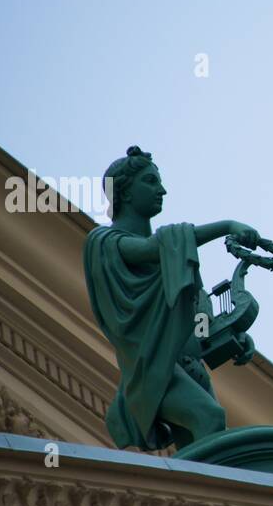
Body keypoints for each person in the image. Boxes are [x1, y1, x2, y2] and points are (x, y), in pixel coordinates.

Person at [83, 145, 259, 450]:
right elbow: (151, 249)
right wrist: (227, 226)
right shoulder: (105, 243)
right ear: (124, 193)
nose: (162, 189)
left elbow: (192, 325)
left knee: (201, 440)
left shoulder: (172, 259)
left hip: (187, 368)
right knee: (209, 419)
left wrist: (229, 337)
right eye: (150, 181)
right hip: (153, 370)